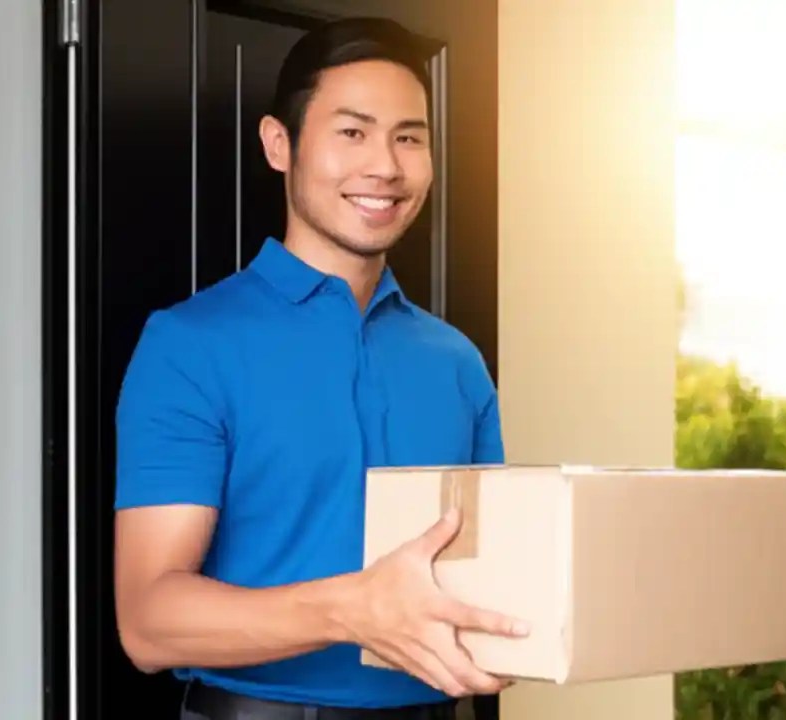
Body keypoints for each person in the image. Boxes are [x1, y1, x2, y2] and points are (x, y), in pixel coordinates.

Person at [112, 17, 527, 720]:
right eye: (353, 132)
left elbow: (491, 576)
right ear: (280, 144)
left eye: (409, 138)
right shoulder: (190, 344)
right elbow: (149, 622)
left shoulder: (456, 360)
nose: (386, 167)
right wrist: (351, 609)